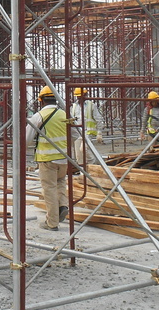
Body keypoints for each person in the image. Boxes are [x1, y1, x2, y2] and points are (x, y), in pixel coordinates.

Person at [26, 86, 70, 231]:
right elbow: (75, 134)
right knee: (61, 181)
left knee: (49, 188)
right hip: (63, 157)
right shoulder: (64, 114)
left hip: (47, 159)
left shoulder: (39, 116)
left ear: (41, 100)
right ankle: (63, 205)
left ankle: (52, 222)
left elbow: (27, 139)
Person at [72, 87, 103, 165]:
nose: (79, 98)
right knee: (78, 154)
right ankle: (82, 170)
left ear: (85, 95)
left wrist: (99, 132)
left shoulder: (91, 105)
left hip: (88, 132)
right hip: (77, 132)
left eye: (80, 96)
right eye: (77, 96)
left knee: (83, 149)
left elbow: (98, 118)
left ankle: (92, 163)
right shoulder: (74, 106)